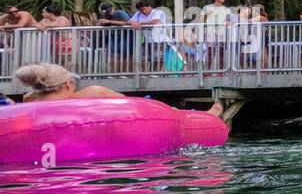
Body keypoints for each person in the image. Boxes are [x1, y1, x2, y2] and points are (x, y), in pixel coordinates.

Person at [13, 62, 224, 115]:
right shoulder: (92, 93)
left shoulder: (29, 100)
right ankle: (203, 115)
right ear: (69, 84)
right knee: (155, 107)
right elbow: (140, 107)